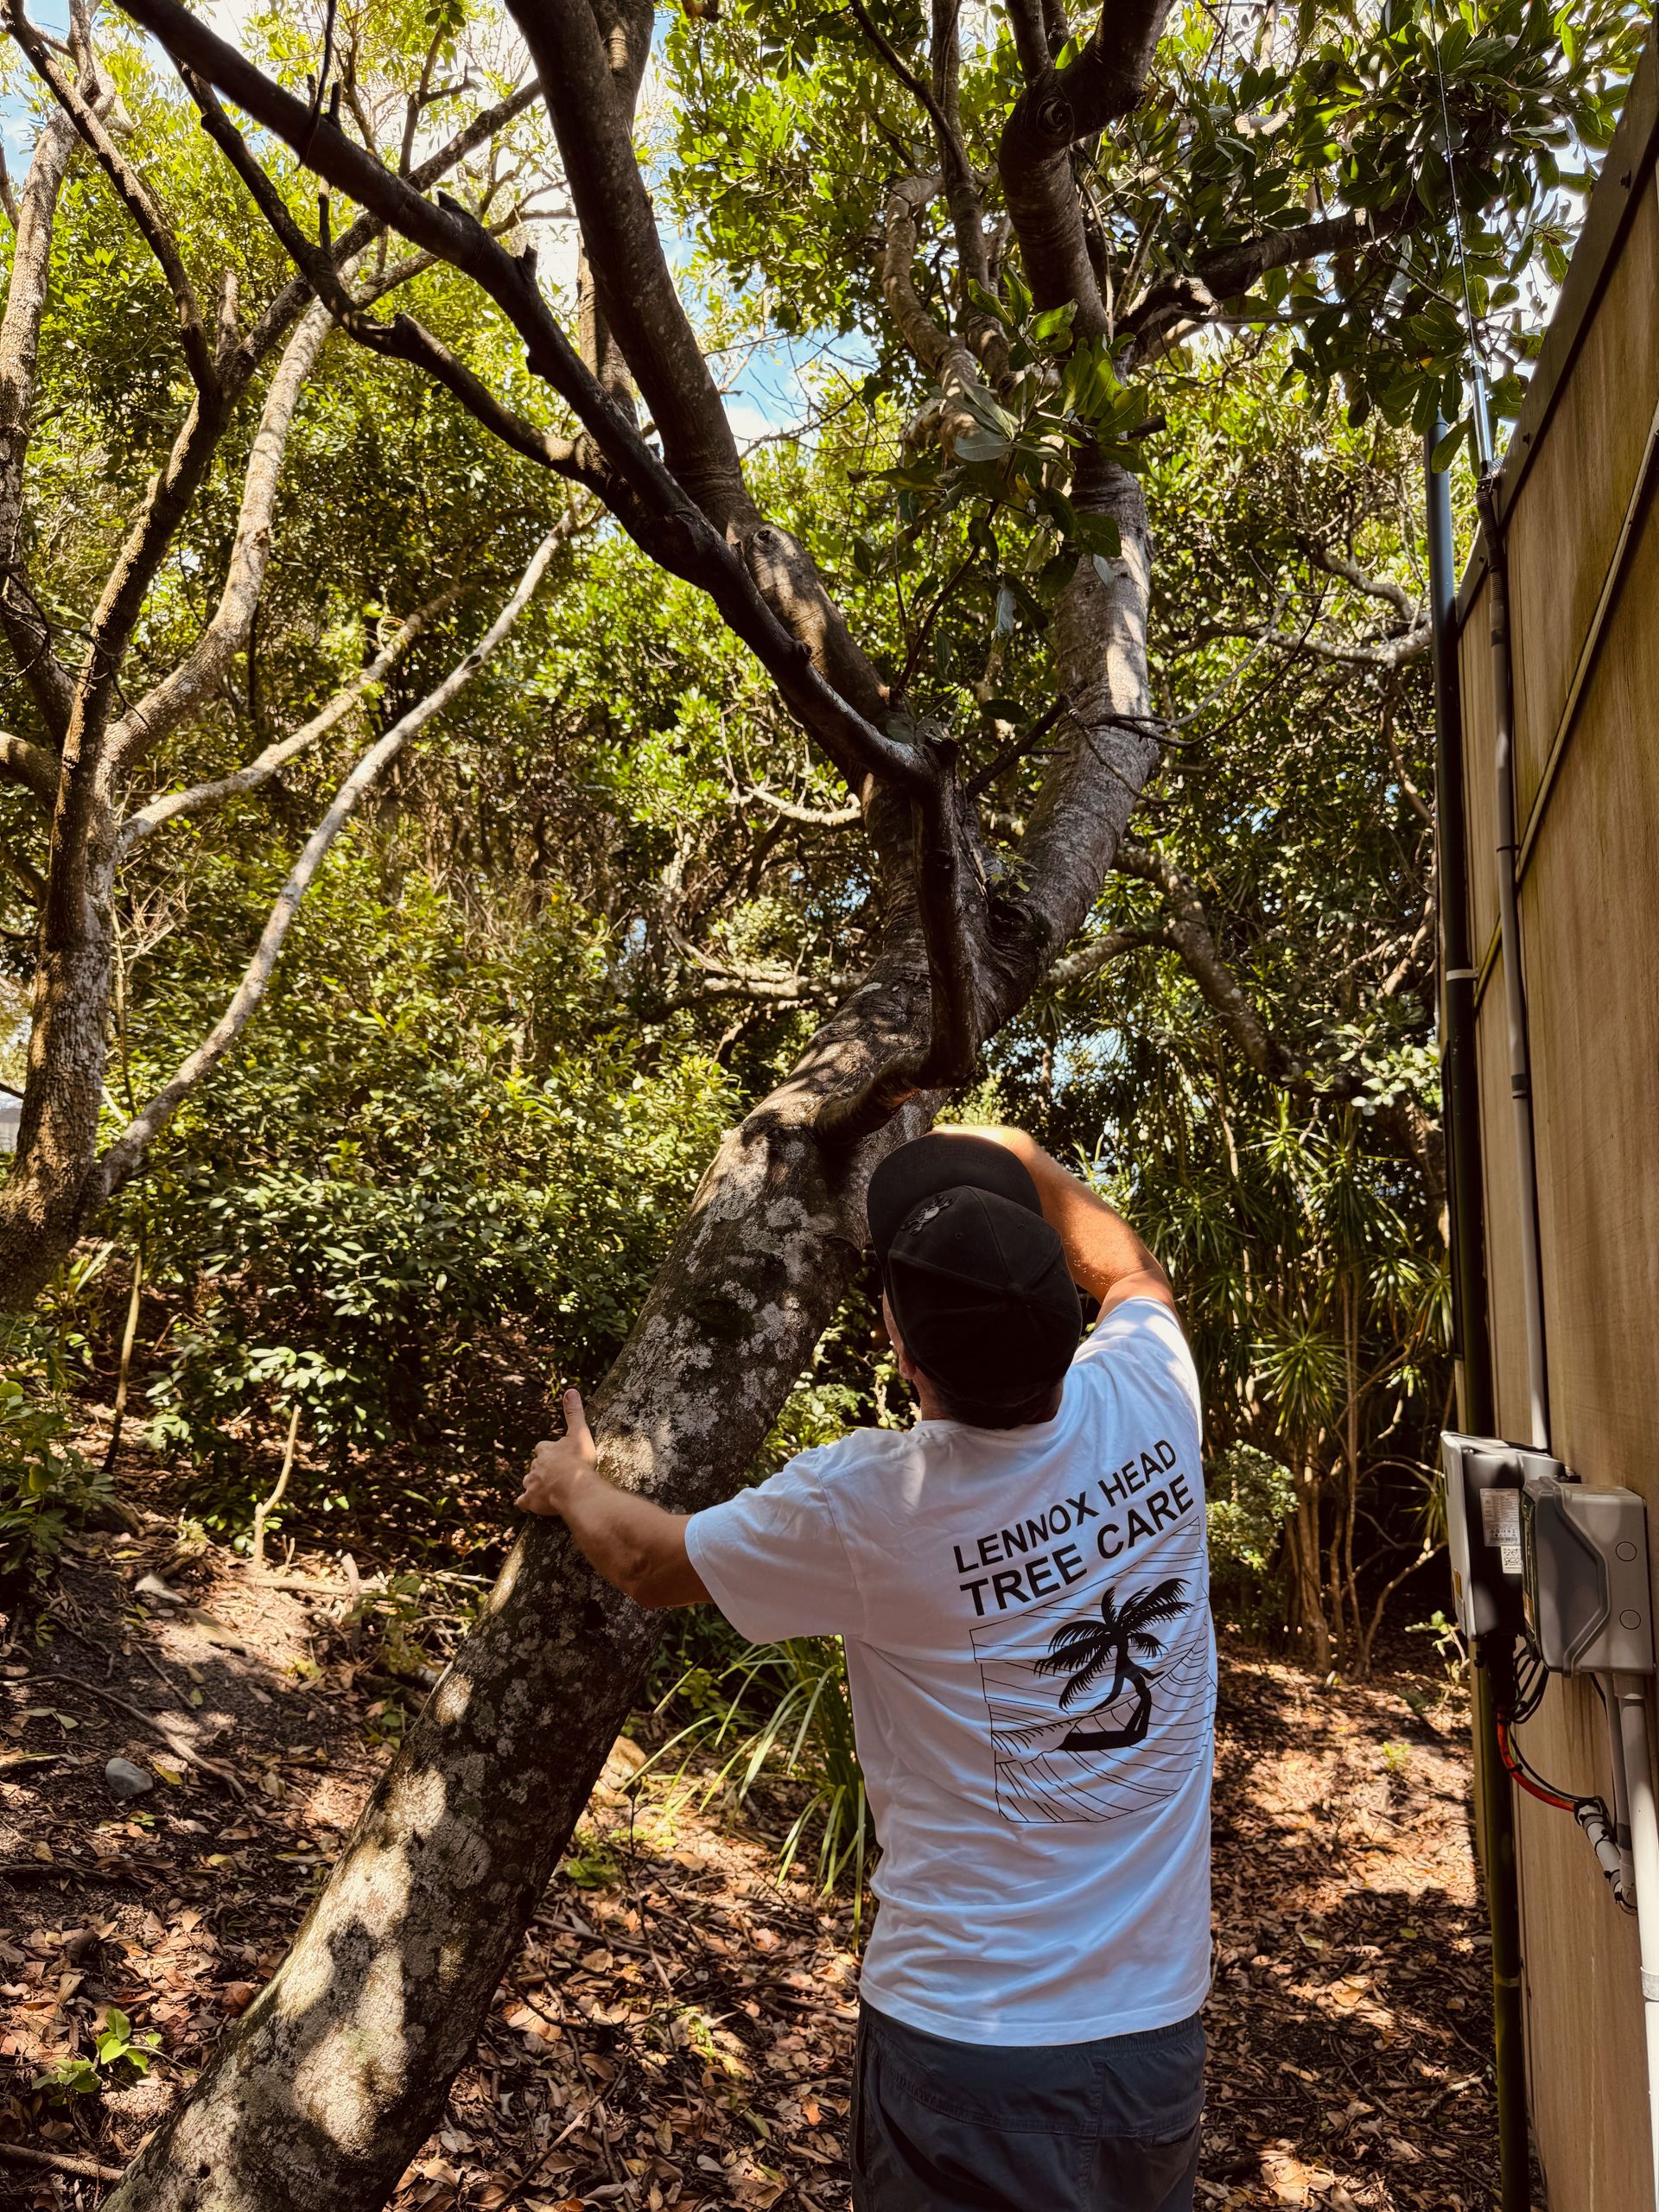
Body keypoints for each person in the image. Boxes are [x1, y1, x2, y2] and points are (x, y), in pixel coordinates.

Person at [519, 1125, 1213, 2212]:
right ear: (1063, 1318)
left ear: (902, 1348)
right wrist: (1023, 1159)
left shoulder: (874, 1502)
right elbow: (1133, 1271)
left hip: (967, 2046)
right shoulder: (1151, 1400)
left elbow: (648, 1561)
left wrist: (571, 1481)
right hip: (1153, 2036)